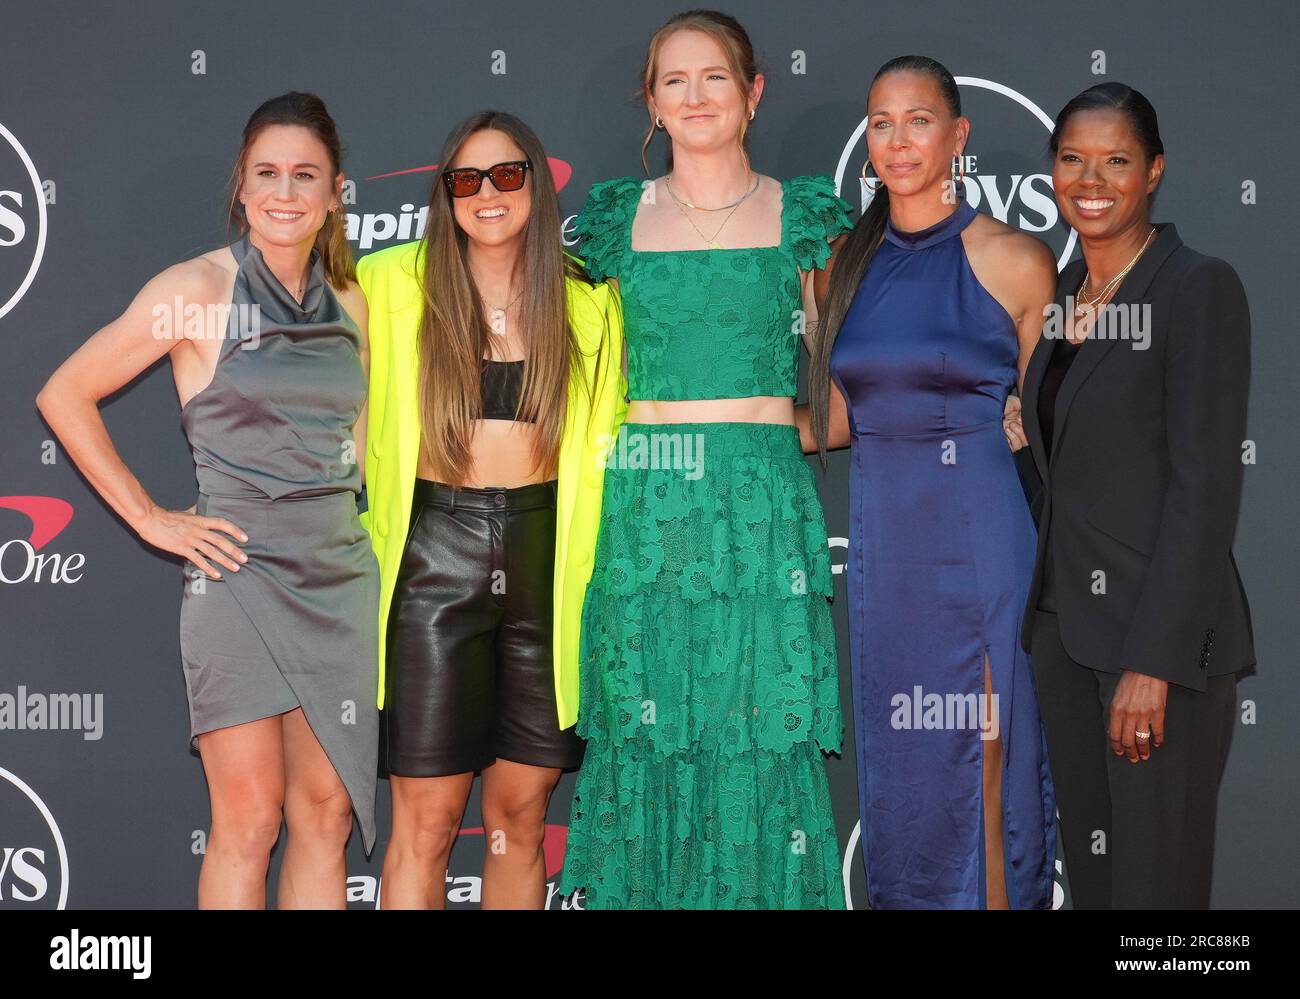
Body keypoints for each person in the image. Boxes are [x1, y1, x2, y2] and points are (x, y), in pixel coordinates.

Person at [35, 92, 378, 908]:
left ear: (336, 192)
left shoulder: (353, 303)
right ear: (240, 185)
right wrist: (152, 517)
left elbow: (351, 446)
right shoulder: (194, 288)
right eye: (267, 173)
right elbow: (65, 393)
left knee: (325, 816)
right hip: (238, 576)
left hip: (339, 579)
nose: (285, 192)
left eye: (306, 175)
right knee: (250, 819)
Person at [557, 10, 852, 909]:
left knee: (757, 731)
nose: (695, 96)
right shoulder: (611, 223)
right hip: (646, 512)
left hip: (760, 511)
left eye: (714, 77)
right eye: (674, 81)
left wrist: (769, 433)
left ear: (753, 92)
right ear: (650, 101)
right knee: (648, 731)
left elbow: (849, 384)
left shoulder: (805, 217)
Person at [802, 55, 1058, 908]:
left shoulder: (1015, 260)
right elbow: (833, 421)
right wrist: (714, 420)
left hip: (982, 539)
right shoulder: (840, 263)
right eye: (881, 122)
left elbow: (1054, 426)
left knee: (985, 761)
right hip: (887, 550)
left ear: (959, 135)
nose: (899, 139)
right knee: (909, 773)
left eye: (919, 120)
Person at [357, 111, 626, 909]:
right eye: (465, 179)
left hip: (550, 566)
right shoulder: (388, 281)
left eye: (506, 174)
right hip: (433, 557)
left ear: (536, 185)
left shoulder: (592, 299)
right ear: (444, 194)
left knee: (518, 813)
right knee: (428, 819)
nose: (486, 193)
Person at [1014, 82, 1253, 908]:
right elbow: (1069, 477)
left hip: (1156, 648)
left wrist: (1152, 663)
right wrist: (1022, 441)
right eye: (1073, 158)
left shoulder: (1195, 289)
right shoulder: (1064, 299)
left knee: (1158, 896)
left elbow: (1205, 485)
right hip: (1064, 640)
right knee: (1101, 882)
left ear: (1153, 171)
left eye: (1116, 160)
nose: (1092, 178)